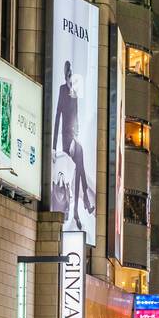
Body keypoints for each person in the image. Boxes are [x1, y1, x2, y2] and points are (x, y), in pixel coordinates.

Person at [50, 59, 97, 232]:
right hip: (66, 139)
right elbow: (57, 118)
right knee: (76, 172)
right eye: (68, 74)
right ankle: (81, 205)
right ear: (65, 75)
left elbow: (76, 119)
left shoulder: (74, 93)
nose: (70, 78)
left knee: (80, 165)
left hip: (74, 137)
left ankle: (80, 206)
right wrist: (55, 147)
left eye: (71, 74)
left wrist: (76, 139)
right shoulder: (62, 90)